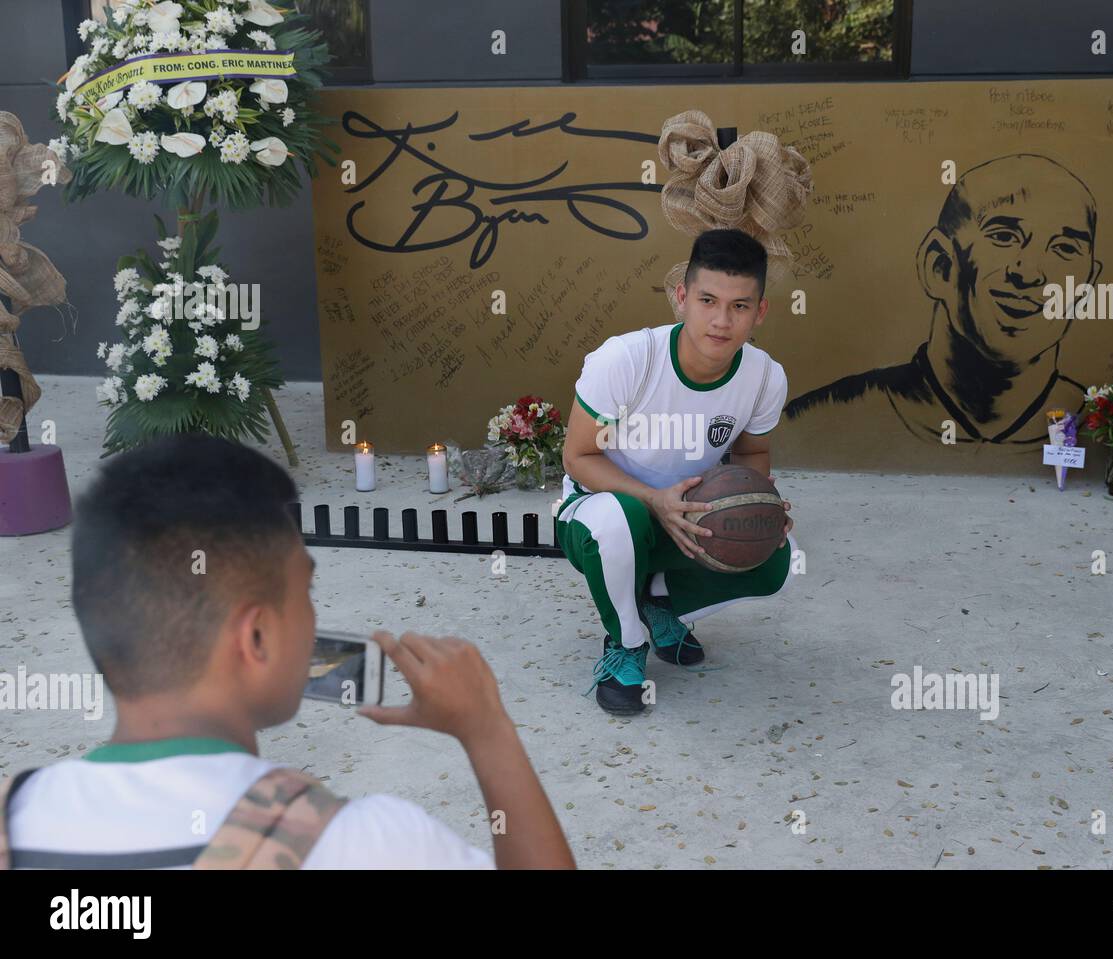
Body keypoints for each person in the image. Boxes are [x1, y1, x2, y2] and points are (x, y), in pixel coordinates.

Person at [2, 434, 574, 869]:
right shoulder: (362, 845)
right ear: (255, 639)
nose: (316, 617)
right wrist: (487, 729)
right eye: (306, 592)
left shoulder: (16, 821)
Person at [558, 228, 797, 717]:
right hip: (598, 514)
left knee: (776, 559)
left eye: (739, 306)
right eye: (708, 300)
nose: (721, 320)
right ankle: (624, 643)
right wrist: (655, 499)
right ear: (682, 298)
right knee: (618, 520)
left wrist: (761, 503)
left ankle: (657, 601)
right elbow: (578, 457)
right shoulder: (627, 360)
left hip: (687, 514)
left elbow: (752, 455)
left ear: (760, 312)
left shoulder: (764, 376)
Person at [784, 154, 1094, 452]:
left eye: (1065, 248)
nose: (1028, 273)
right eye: (1003, 236)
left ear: (1085, 289)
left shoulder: (1106, 429)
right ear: (939, 266)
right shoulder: (823, 417)